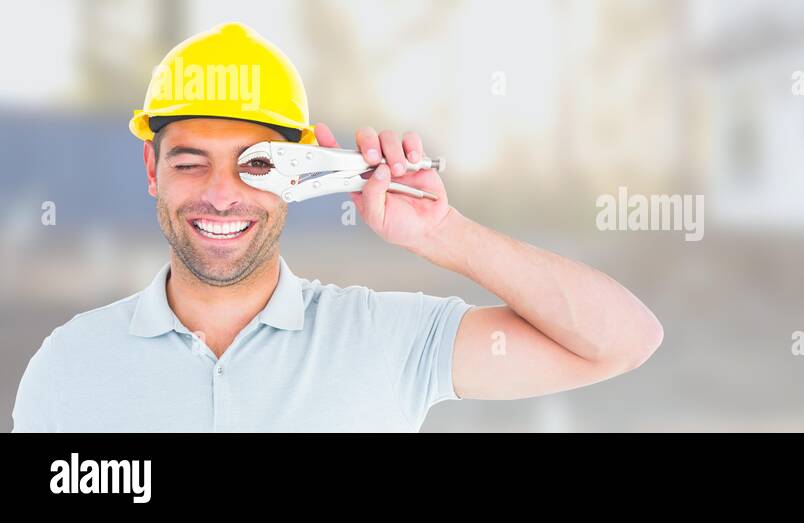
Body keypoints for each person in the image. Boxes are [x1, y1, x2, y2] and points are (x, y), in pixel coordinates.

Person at [11, 22, 662, 432]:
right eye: (190, 161)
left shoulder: (386, 339)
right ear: (152, 167)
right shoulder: (67, 365)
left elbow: (624, 340)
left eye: (254, 165)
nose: (220, 193)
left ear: (299, 173)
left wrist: (443, 234)